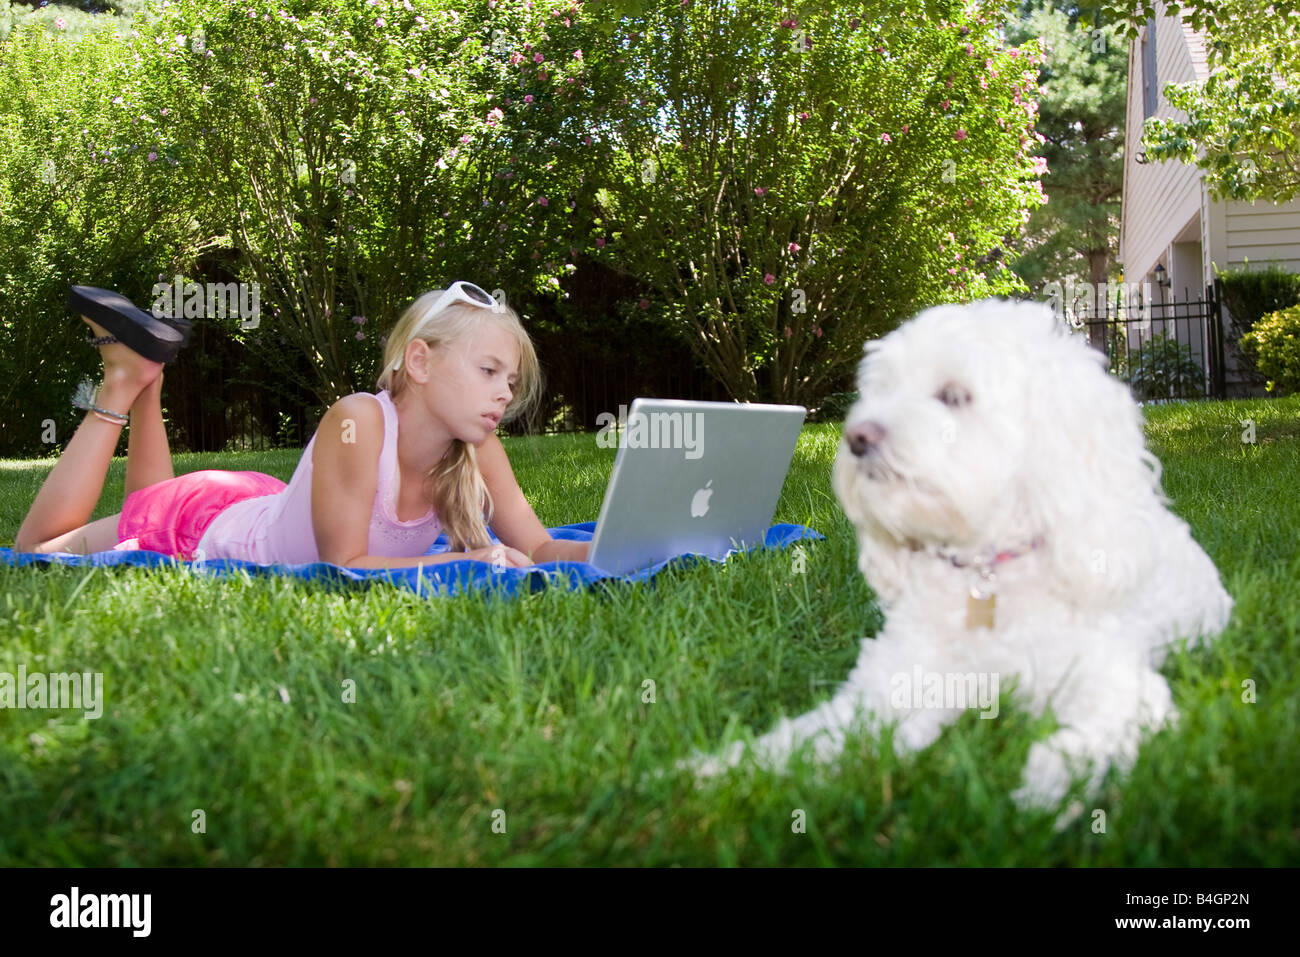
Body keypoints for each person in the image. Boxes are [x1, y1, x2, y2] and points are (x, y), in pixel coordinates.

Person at [14, 282, 591, 570]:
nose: (503, 392)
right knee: (37, 550)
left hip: (262, 501)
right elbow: (347, 567)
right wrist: (464, 562)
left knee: (147, 501)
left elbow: (539, 546)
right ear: (419, 361)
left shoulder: (477, 446)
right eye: (489, 370)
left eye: (510, 381)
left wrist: (619, 547)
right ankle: (123, 381)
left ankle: (149, 373)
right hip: (207, 522)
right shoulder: (359, 420)